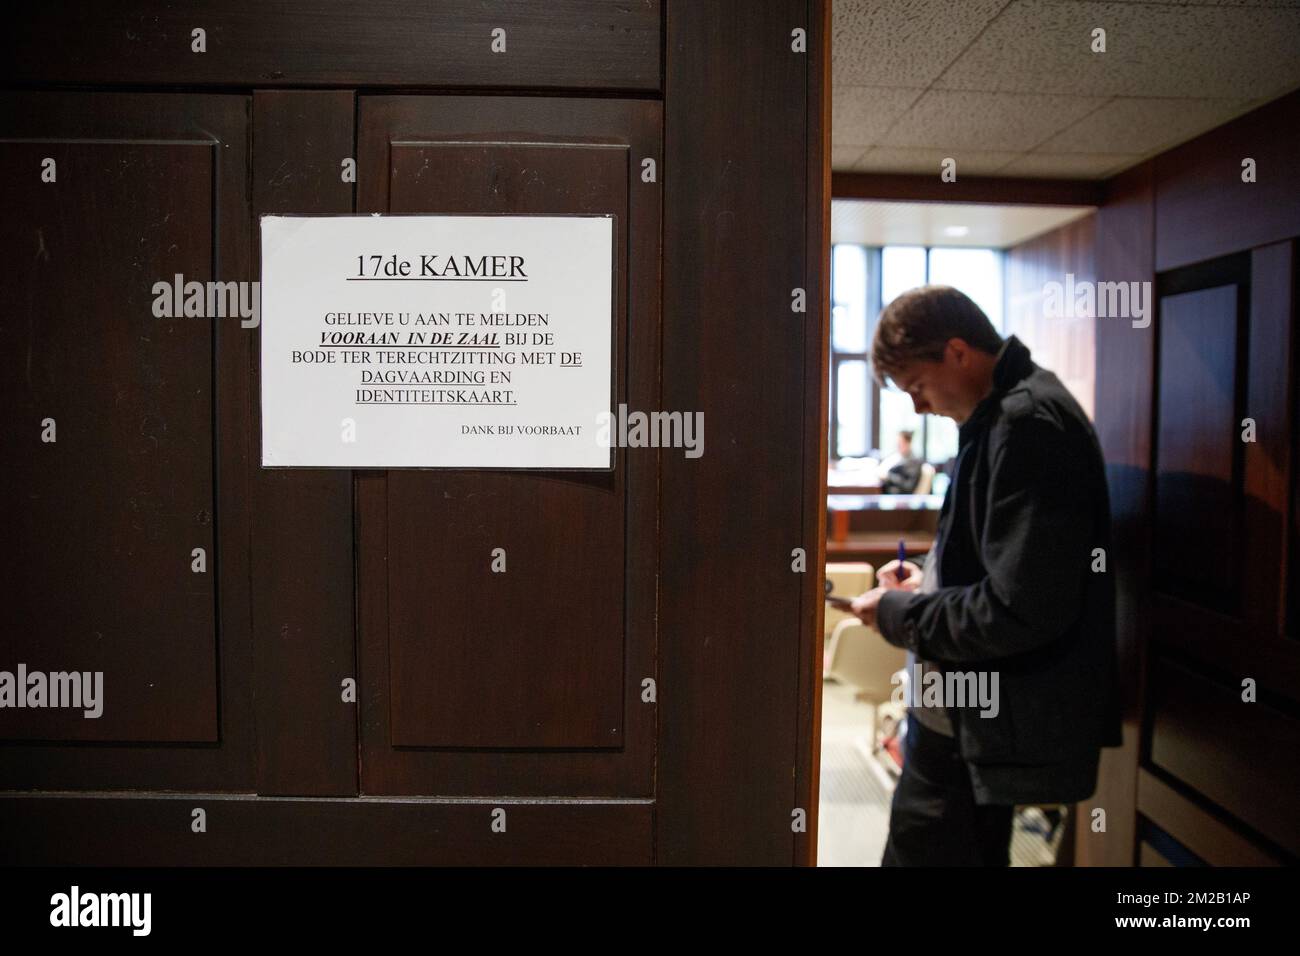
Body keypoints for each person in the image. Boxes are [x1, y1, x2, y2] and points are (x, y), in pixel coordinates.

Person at [849, 284, 1122, 867]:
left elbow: (1018, 607)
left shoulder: (1028, 426)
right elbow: (998, 560)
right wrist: (927, 580)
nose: (918, 408)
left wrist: (901, 613)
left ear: (956, 352)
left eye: (917, 387)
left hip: (976, 728)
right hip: (965, 720)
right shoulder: (1000, 417)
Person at [878, 430, 923, 494]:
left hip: (900, 497)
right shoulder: (898, 458)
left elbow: (908, 485)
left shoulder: (914, 462)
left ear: (908, 443)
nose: (897, 446)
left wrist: (888, 477)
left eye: (900, 443)